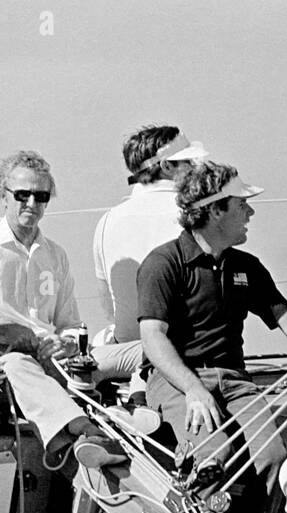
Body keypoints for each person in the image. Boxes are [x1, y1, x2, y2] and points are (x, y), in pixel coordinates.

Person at [137, 161, 287, 513]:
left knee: (272, 458)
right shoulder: (163, 263)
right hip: (177, 381)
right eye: (242, 204)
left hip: (236, 382)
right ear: (214, 209)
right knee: (213, 453)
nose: (250, 212)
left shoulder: (246, 267)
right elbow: (153, 337)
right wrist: (193, 389)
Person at [0, 150, 125, 470]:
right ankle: (80, 430)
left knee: (118, 354)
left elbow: (70, 324)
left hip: (49, 363)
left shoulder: (56, 256)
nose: (31, 204)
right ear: (3, 196)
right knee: (19, 362)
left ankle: (121, 422)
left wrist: (66, 341)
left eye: (41, 196)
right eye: (22, 195)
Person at [92, 126, 208, 388]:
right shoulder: (195, 217)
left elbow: (109, 309)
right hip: (182, 352)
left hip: (128, 348)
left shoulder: (106, 221)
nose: (196, 168)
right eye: (189, 161)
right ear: (167, 166)